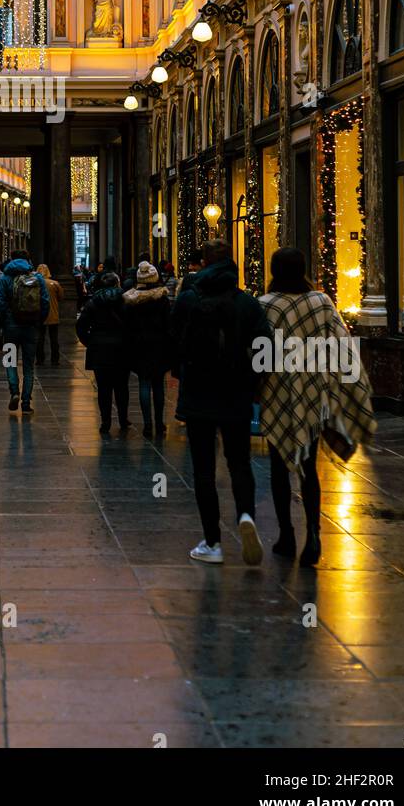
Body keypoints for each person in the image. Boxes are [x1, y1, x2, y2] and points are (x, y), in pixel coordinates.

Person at [258, 247, 377, 567]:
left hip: (278, 394)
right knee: (309, 468)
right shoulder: (320, 302)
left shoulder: (265, 306)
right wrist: (350, 385)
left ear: (273, 270)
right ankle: (314, 532)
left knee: (279, 468)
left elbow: (258, 352)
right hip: (313, 394)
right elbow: (341, 342)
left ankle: (286, 534)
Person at [171, 239, 272, 565]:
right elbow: (265, 350)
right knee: (239, 462)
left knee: (203, 469)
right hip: (236, 394)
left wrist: (182, 371)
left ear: (203, 262)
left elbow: (172, 341)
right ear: (231, 262)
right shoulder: (247, 303)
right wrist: (255, 384)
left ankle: (212, 542)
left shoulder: (188, 299)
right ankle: (245, 516)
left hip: (199, 394)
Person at [76, 271, 131, 434]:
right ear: (117, 283)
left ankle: (105, 421)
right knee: (122, 386)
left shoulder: (93, 302)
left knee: (104, 388)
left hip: (100, 349)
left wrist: (90, 342)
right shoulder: (127, 301)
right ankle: (123, 419)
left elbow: (81, 327)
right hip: (121, 348)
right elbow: (133, 325)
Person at [0, 250, 49, 413]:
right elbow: (45, 302)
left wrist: (4, 321)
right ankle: (26, 403)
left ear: (11, 260)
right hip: (30, 328)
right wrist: (38, 321)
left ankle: (14, 392)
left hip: (11, 328)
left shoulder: (4, 278)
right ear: (28, 260)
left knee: (10, 361)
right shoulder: (38, 278)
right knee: (28, 366)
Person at [123, 261, 172, 438]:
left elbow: (127, 326)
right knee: (158, 385)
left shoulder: (132, 301)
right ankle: (159, 423)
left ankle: (147, 424)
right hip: (159, 346)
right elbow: (169, 326)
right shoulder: (162, 300)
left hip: (139, 346)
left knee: (144, 383)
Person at [35, 263, 63, 366]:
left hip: (39, 314)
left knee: (39, 338)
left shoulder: (35, 283)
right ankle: (55, 359)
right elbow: (61, 297)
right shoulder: (55, 284)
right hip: (53, 314)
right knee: (54, 338)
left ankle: (40, 359)